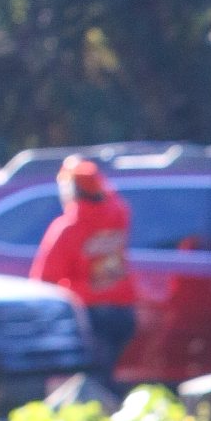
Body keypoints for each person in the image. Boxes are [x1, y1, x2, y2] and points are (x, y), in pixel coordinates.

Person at [30, 156, 137, 381]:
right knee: (107, 374)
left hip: (90, 314)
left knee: (93, 380)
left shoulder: (68, 228)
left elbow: (42, 281)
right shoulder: (119, 213)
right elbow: (111, 196)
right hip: (124, 311)